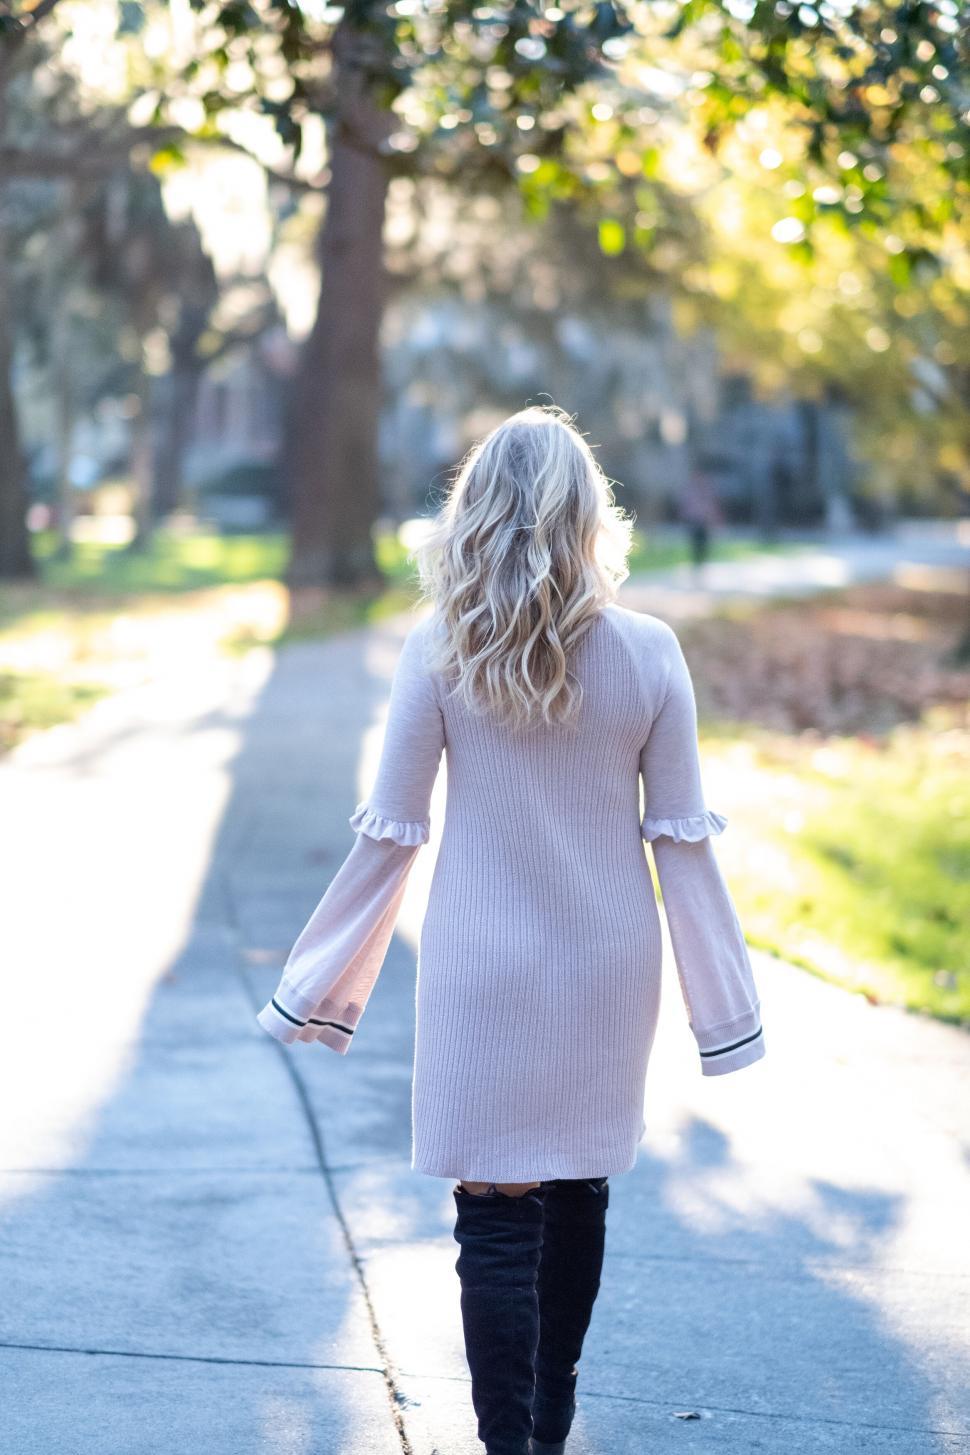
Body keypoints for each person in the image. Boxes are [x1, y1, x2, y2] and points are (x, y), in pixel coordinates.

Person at [257, 404, 766, 1455]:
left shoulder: (439, 651)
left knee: (494, 1209)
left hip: (479, 973)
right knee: (577, 1186)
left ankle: (509, 1450)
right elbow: (681, 843)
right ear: (590, 516)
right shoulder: (649, 653)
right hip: (606, 969)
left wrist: (313, 986)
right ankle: (547, 1434)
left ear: (472, 514)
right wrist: (728, 1019)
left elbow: (392, 834)